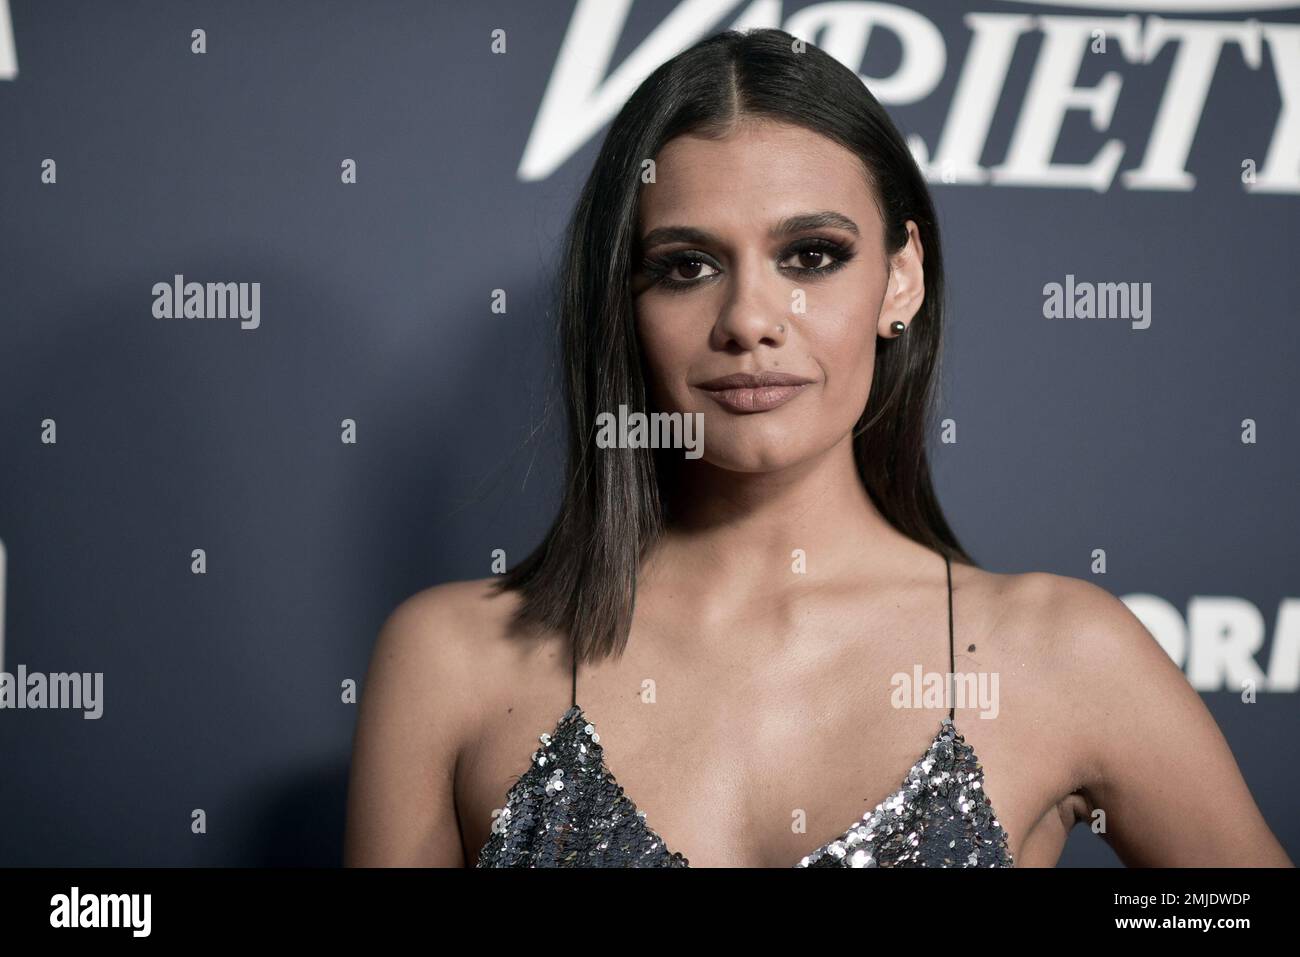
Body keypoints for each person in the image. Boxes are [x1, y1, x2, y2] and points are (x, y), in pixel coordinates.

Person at [343, 28, 1292, 868]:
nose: (752, 319)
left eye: (811, 255)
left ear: (901, 278)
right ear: (622, 304)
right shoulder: (449, 662)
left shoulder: (1063, 654)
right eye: (687, 266)